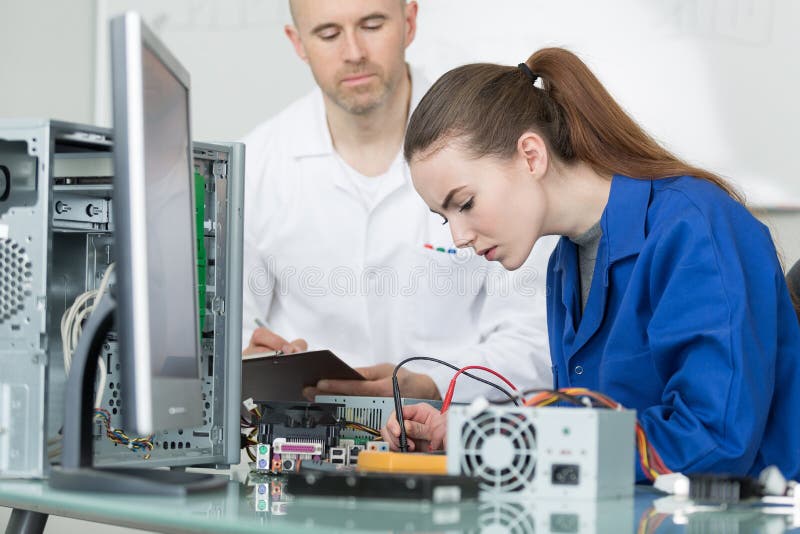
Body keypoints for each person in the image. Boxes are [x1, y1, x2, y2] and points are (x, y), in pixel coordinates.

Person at [382, 47, 800, 482]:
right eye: (444, 217)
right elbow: (591, 419)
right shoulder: (565, 263)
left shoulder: (694, 227)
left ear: (531, 155)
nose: (458, 237)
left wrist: (520, 438)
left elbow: (714, 440)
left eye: (465, 203)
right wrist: (475, 433)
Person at [241, 0, 556, 402]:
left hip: (455, 432)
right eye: (329, 34)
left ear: (409, 22)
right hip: (303, 439)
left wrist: (429, 384)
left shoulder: (487, 143)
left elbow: (533, 338)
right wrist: (251, 353)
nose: (354, 53)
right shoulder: (256, 165)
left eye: (372, 25)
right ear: (298, 42)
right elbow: (227, 326)